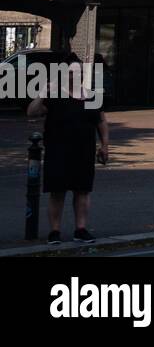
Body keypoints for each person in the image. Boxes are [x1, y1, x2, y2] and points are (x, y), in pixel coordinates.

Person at [26, 54, 108, 244]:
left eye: (78, 72)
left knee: (82, 191)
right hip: (58, 150)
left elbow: (102, 121)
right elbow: (32, 112)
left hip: (84, 151)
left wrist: (104, 145)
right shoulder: (55, 95)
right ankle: (54, 232)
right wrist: (43, 92)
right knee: (57, 192)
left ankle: (80, 229)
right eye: (71, 72)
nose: (74, 76)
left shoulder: (91, 96)